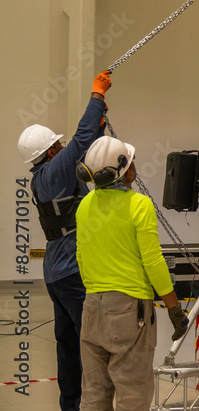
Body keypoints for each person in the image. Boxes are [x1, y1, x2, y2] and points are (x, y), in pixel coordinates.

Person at [16, 70, 112, 411]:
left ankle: (71, 405)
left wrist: (100, 124)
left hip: (57, 273)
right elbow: (81, 139)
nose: (62, 147)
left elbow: (85, 146)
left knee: (68, 343)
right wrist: (96, 95)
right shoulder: (54, 172)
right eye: (57, 145)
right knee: (90, 342)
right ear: (50, 152)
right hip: (72, 273)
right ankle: (93, 403)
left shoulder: (45, 177)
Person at [74, 135, 188, 411]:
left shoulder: (85, 205)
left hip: (91, 309)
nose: (135, 163)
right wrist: (175, 309)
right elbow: (153, 261)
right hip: (129, 312)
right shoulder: (139, 205)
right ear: (124, 168)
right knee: (132, 396)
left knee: (93, 395)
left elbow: (81, 258)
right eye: (131, 159)